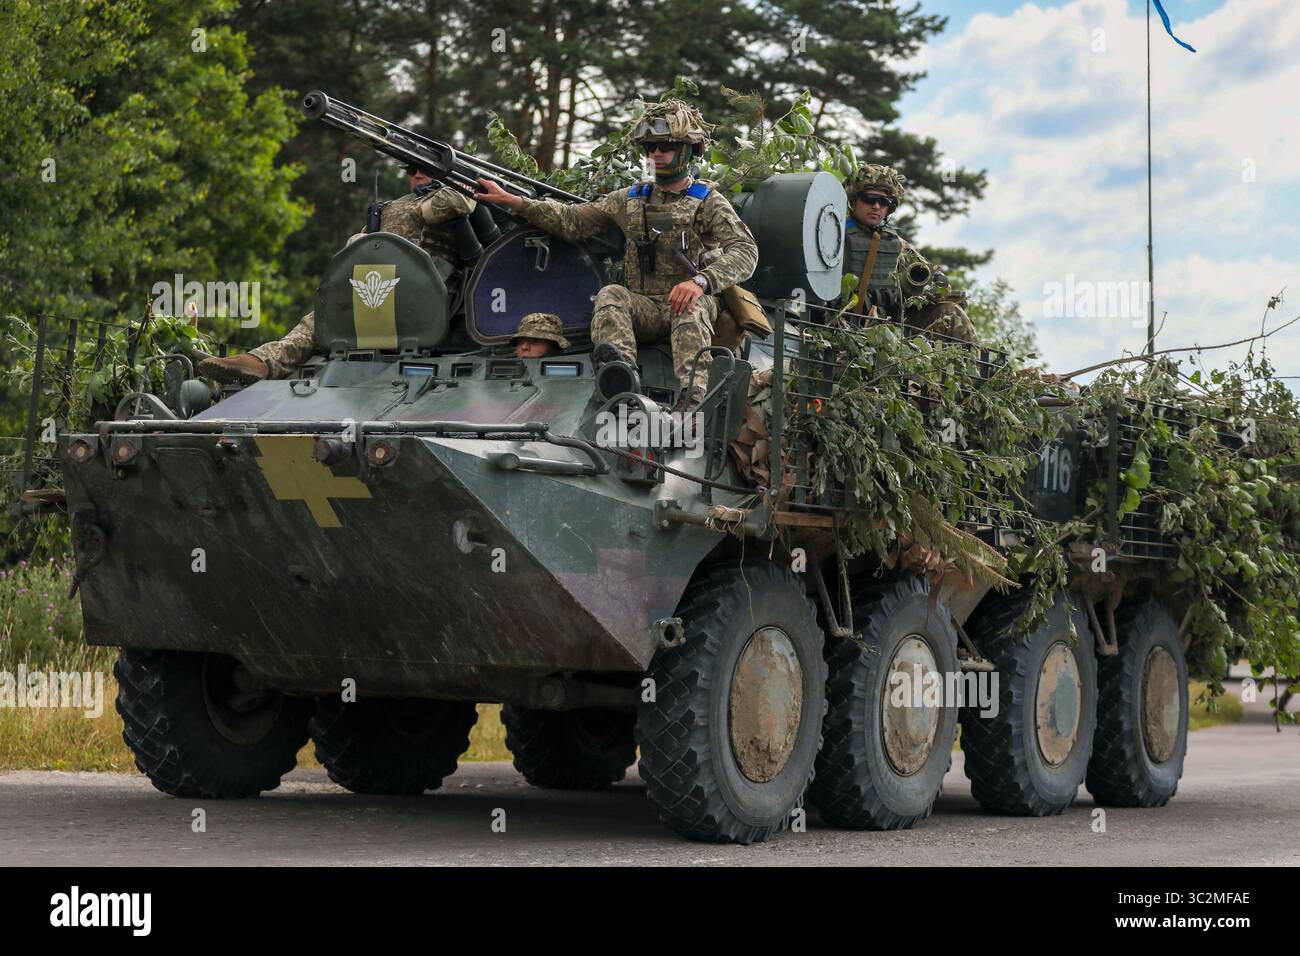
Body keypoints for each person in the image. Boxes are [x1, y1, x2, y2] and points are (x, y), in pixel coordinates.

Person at [472, 100, 759, 411]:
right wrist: (513, 201)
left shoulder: (708, 201)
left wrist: (700, 282)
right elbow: (572, 221)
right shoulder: (630, 199)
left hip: (692, 306)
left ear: (688, 150)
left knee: (689, 305)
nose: (656, 154)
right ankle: (621, 379)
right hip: (646, 308)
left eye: (665, 147)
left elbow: (746, 251)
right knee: (611, 294)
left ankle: (693, 399)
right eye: (650, 148)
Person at [198, 166, 476, 384]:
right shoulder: (388, 207)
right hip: (374, 291)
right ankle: (261, 362)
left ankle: (263, 362)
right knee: (318, 320)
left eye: (426, 169)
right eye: (412, 170)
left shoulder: (456, 194)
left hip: (421, 300)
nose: (417, 174)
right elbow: (357, 250)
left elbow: (457, 202)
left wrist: (430, 199)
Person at [841, 163, 976, 343]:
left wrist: (937, 286)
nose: (876, 206)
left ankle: (970, 362)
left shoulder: (895, 244)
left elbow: (927, 276)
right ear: (854, 200)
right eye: (869, 199)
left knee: (950, 313)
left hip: (891, 325)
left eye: (884, 202)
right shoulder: (834, 233)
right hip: (841, 321)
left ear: (890, 207)